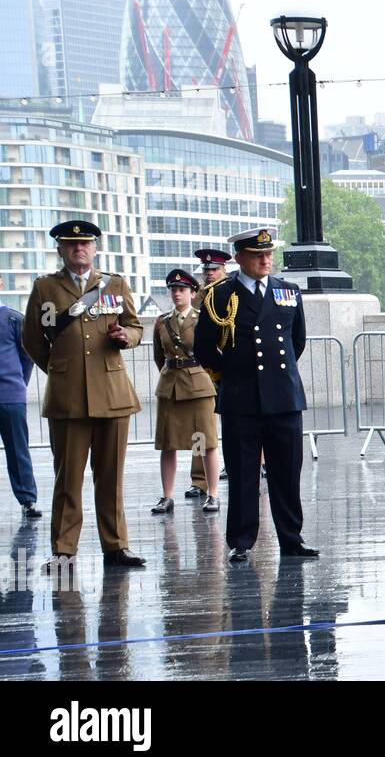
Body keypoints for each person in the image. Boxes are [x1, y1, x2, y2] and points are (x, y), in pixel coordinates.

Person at [21, 220, 146, 569]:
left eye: (85, 244)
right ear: (60, 250)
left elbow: (135, 326)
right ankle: (63, 549)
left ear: (95, 248)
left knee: (111, 477)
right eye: (71, 244)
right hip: (68, 398)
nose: (79, 249)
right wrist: (60, 370)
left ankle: (116, 546)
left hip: (112, 393)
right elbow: (32, 338)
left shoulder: (115, 284)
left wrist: (128, 337)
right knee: (68, 479)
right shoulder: (46, 288)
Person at [193, 227, 319, 561]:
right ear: (239, 259)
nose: (265, 260)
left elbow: (297, 341)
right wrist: (229, 376)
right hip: (241, 398)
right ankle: (241, 540)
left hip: (283, 397)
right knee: (244, 472)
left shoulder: (287, 291)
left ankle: (292, 538)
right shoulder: (220, 296)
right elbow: (204, 348)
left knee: (287, 472)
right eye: (257, 255)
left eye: (268, 254)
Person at [150, 269, 220, 515]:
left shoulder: (202, 320)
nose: (177, 294)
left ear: (192, 293)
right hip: (170, 386)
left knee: (206, 442)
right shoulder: (162, 321)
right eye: (173, 290)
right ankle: (167, 496)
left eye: (182, 290)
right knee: (167, 444)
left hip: (199, 386)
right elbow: (160, 357)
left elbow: (213, 353)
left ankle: (212, 494)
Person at [190, 247, 232, 494]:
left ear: (224, 269)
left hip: (223, 368)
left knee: (232, 421)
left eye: (214, 269)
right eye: (206, 270)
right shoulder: (197, 297)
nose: (210, 273)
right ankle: (199, 478)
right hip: (199, 371)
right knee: (201, 429)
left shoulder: (231, 294)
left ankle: (238, 463)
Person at [0, 302, 39, 519]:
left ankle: (27, 500)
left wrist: (18, 383)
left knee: (17, 450)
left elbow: (28, 355)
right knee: (17, 449)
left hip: (10, 396)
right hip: (12, 393)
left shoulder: (14, 318)